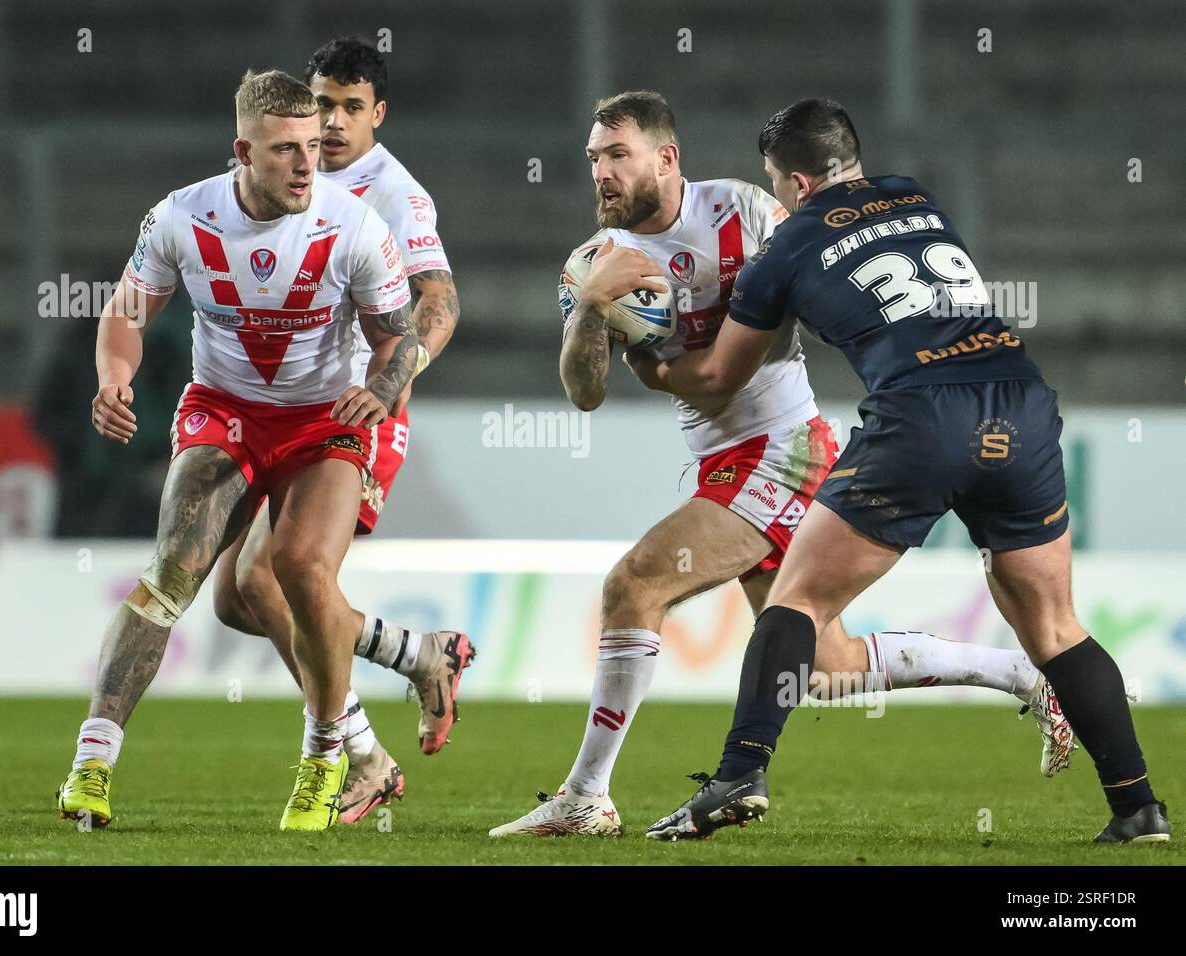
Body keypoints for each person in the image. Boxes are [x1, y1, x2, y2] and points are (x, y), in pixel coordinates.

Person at [490, 91, 1070, 839]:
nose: (599, 172)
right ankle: (1022, 674)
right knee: (822, 665)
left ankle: (584, 798)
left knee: (634, 585)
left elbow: (819, 273)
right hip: (721, 461)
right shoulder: (596, 264)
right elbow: (585, 394)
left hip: (783, 447)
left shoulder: (743, 211)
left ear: (665, 158)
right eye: (593, 159)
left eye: (616, 155)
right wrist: (588, 313)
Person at [639, 98, 1168, 845]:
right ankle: (1138, 807)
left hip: (922, 416)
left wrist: (650, 358)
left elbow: (720, 377)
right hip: (1020, 404)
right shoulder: (917, 196)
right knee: (1053, 626)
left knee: (795, 603)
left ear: (794, 180)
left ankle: (739, 775)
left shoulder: (786, 247)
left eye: (776, 180)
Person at [55, 69, 419, 833]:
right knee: (172, 577)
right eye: (285, 149)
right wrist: (114, 378)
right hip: (226, 415)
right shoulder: (184, 217)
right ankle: (92, 761)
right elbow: (127, 311)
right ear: (241, 152)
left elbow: (400, 338)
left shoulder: (354, 227)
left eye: (314, 148)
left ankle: (324, 759)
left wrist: (382, 391)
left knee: (298, 568)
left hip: (326, 419)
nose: (304, 164)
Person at [211, 37, 471, 827]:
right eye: (322, 102)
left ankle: (355, 755)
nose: (330, 121)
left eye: (350, 107)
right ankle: (413, 656)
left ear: (376, 114)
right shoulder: (292, 173)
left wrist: (388, 384)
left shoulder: (394, 193)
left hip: (355, 414)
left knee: (272, 577)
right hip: (281, 410)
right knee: (233, 597)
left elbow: (439, 302)